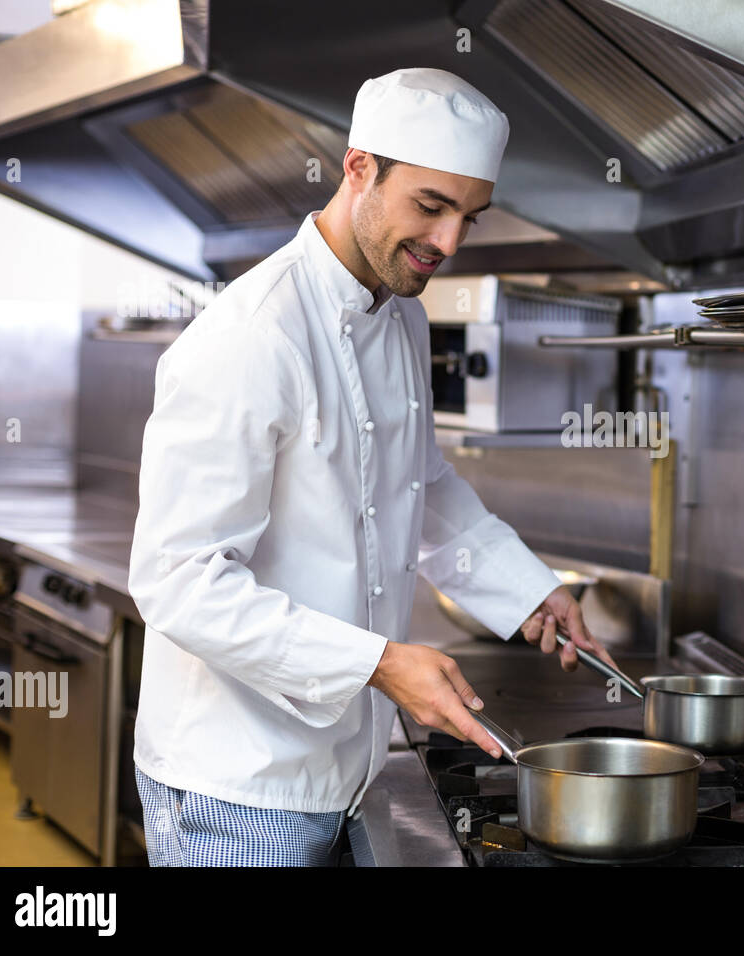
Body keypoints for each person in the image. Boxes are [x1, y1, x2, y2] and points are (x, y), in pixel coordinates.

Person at [127, 67, 615, 866]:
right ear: (359, 170)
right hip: (238, 781)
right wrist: (382, 664)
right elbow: (178, 580)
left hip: (346, 766)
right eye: (431, 206)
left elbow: (418, 487)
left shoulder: (403, 318)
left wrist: (526, 588)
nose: (450, 243)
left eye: (470, 216)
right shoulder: (251, 336)